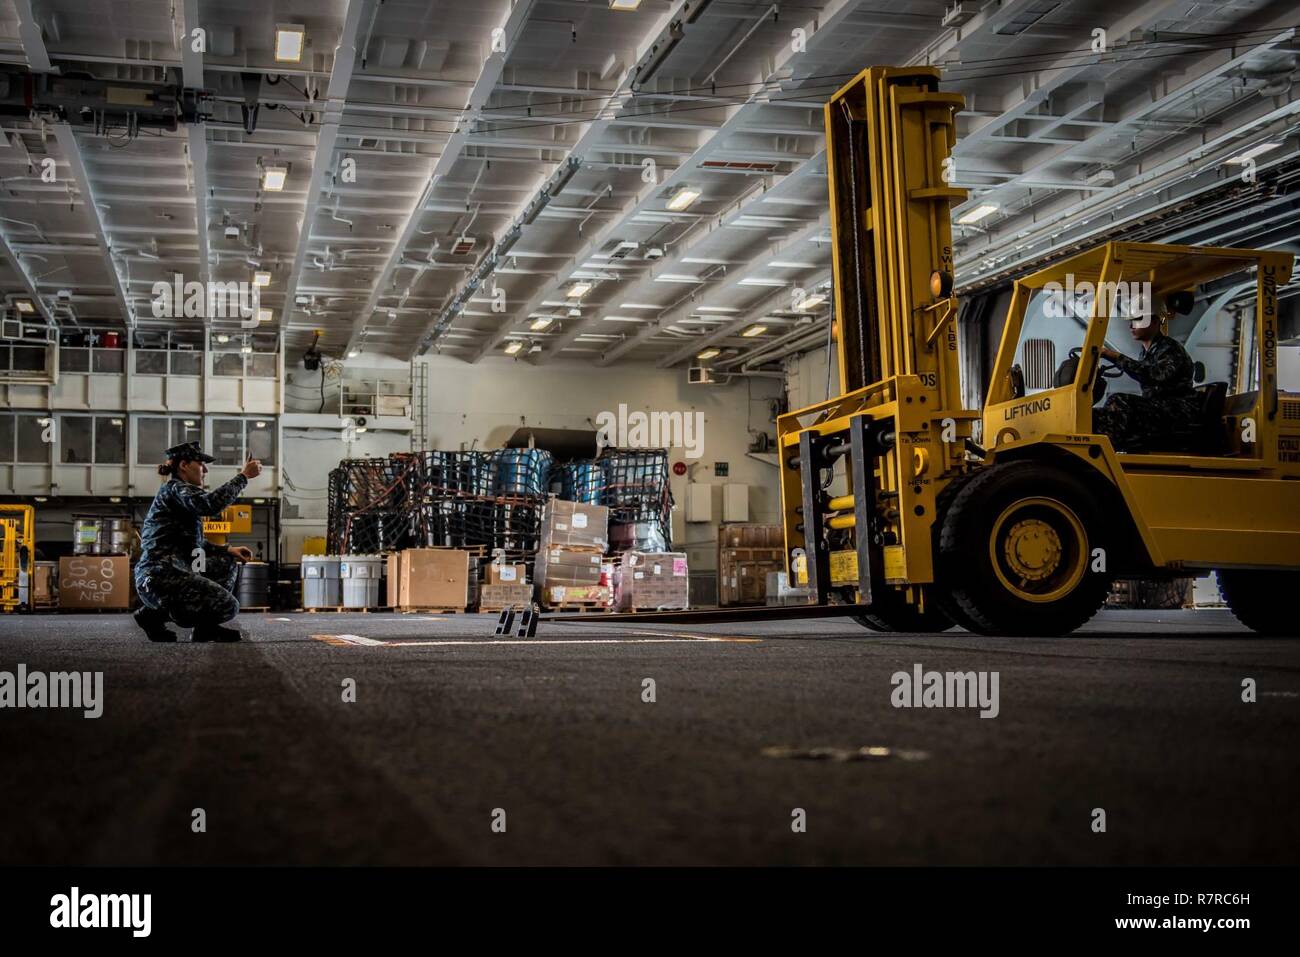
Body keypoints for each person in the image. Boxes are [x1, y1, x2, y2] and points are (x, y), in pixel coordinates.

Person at [132, 441, 262, 642]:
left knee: (225, 563)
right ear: (184, 465)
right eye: (201, 463)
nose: (205, 470)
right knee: (229, 606)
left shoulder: (179, 495)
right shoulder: (176, 489)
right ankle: (153, 615)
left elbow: (194, 544)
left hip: (169, 573)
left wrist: (227, 549)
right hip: (160, 576)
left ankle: (205, 628)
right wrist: (243, 477)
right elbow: (209, 504)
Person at [1092, 304, 1200, 452]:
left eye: (1138, 320)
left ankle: (1106, 451)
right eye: (1131, 321)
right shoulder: (1146, 352)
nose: (1131, 325)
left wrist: (1116, 357)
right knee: (1097, 415)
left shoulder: (1170, 349)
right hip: (1158, 408)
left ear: (1154, 322)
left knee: (1119, 401)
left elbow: (1154, 375)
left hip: (1177, 411)